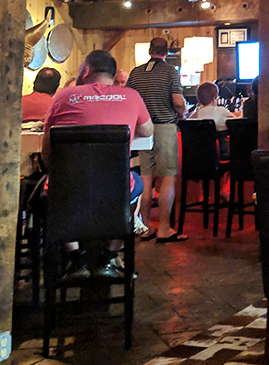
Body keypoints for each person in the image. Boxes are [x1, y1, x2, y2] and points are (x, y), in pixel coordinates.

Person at [41, 50, 153, 278]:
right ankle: (110, 256)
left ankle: (75, 256)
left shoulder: (63, 97)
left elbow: (47, 154)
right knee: (136, 186)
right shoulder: (131, 96)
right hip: (115, 190)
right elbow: (148, 130)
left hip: (69, 189)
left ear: (87, 70)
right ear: (113, 74)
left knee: (50, 192)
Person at [127, 37, 187, 243]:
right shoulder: (170, 71)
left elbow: (129, 98)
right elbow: (178, 102)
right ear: (167, 52)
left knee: (145, 178)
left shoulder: (135, 73)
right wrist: (183, 111)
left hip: (142, 130)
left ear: (149, 50)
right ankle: (163, 228)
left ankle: (144, 226)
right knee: (168, 177)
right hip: (164, 127)